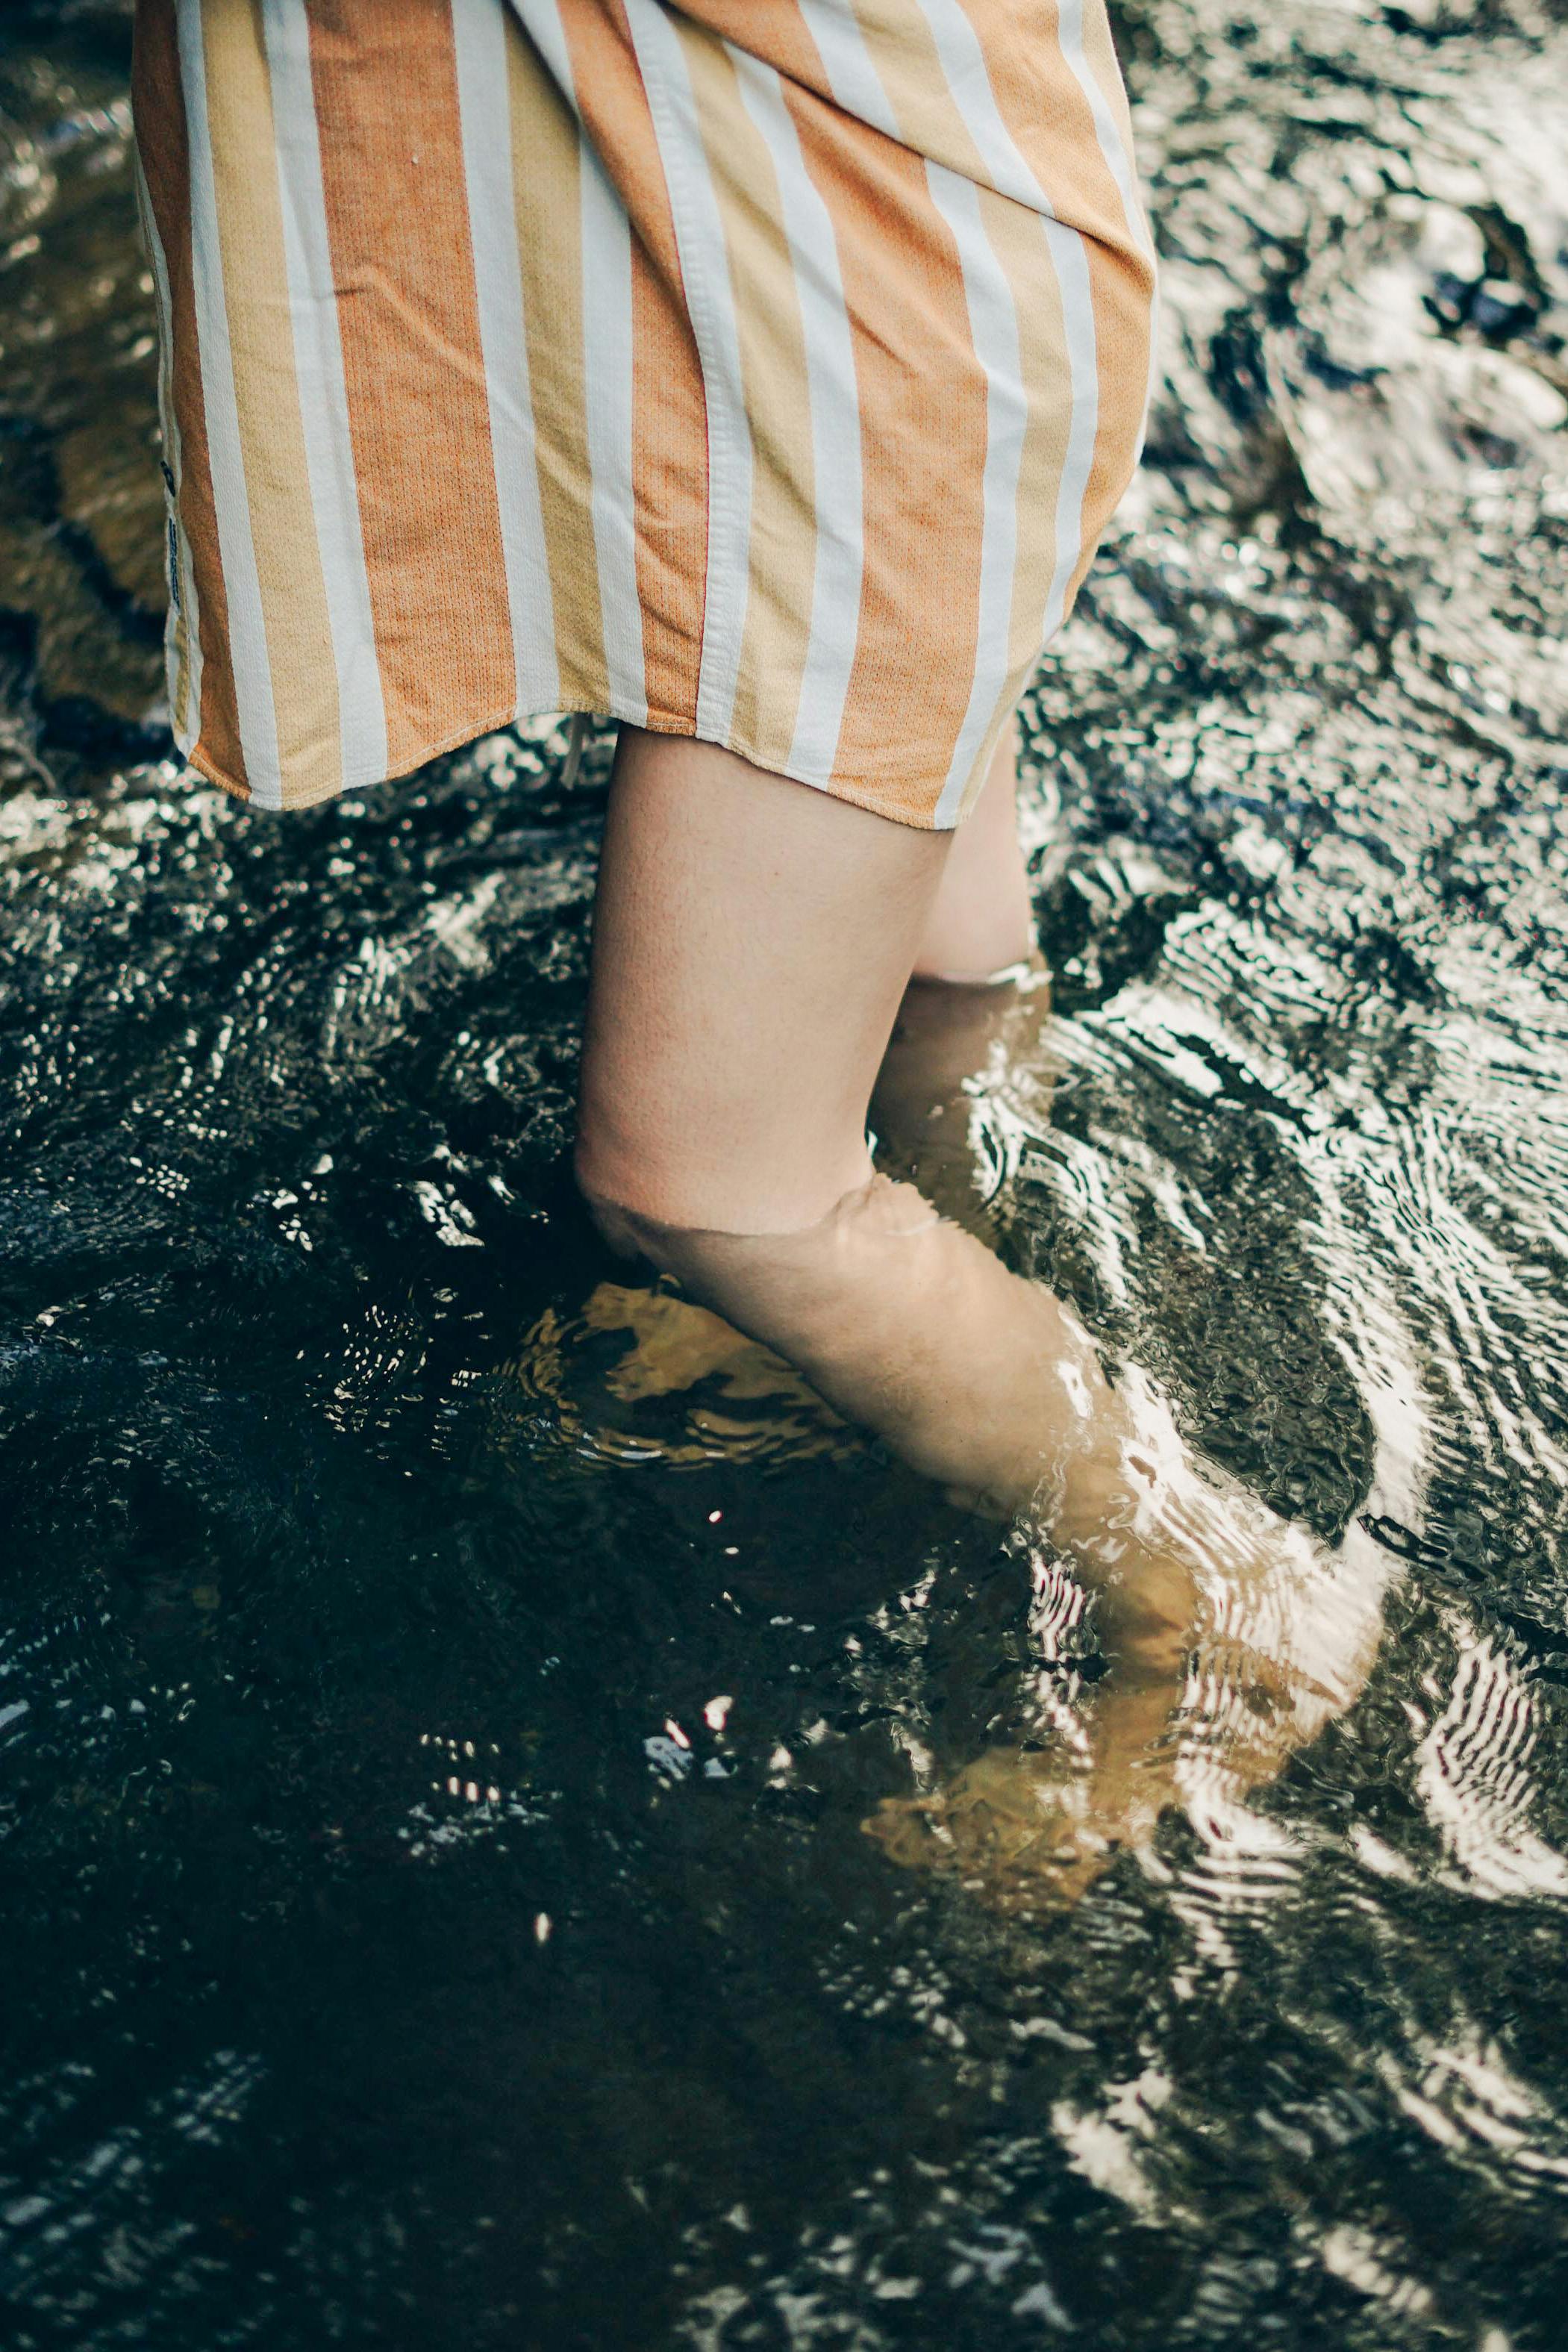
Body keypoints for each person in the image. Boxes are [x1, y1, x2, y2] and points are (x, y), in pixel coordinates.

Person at [133, 0, 1389, 1901]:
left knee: (711, 1184)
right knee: (937, 981)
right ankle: (941, 1271)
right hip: (870, 277)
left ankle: (1232, 1598)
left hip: (831, 372)